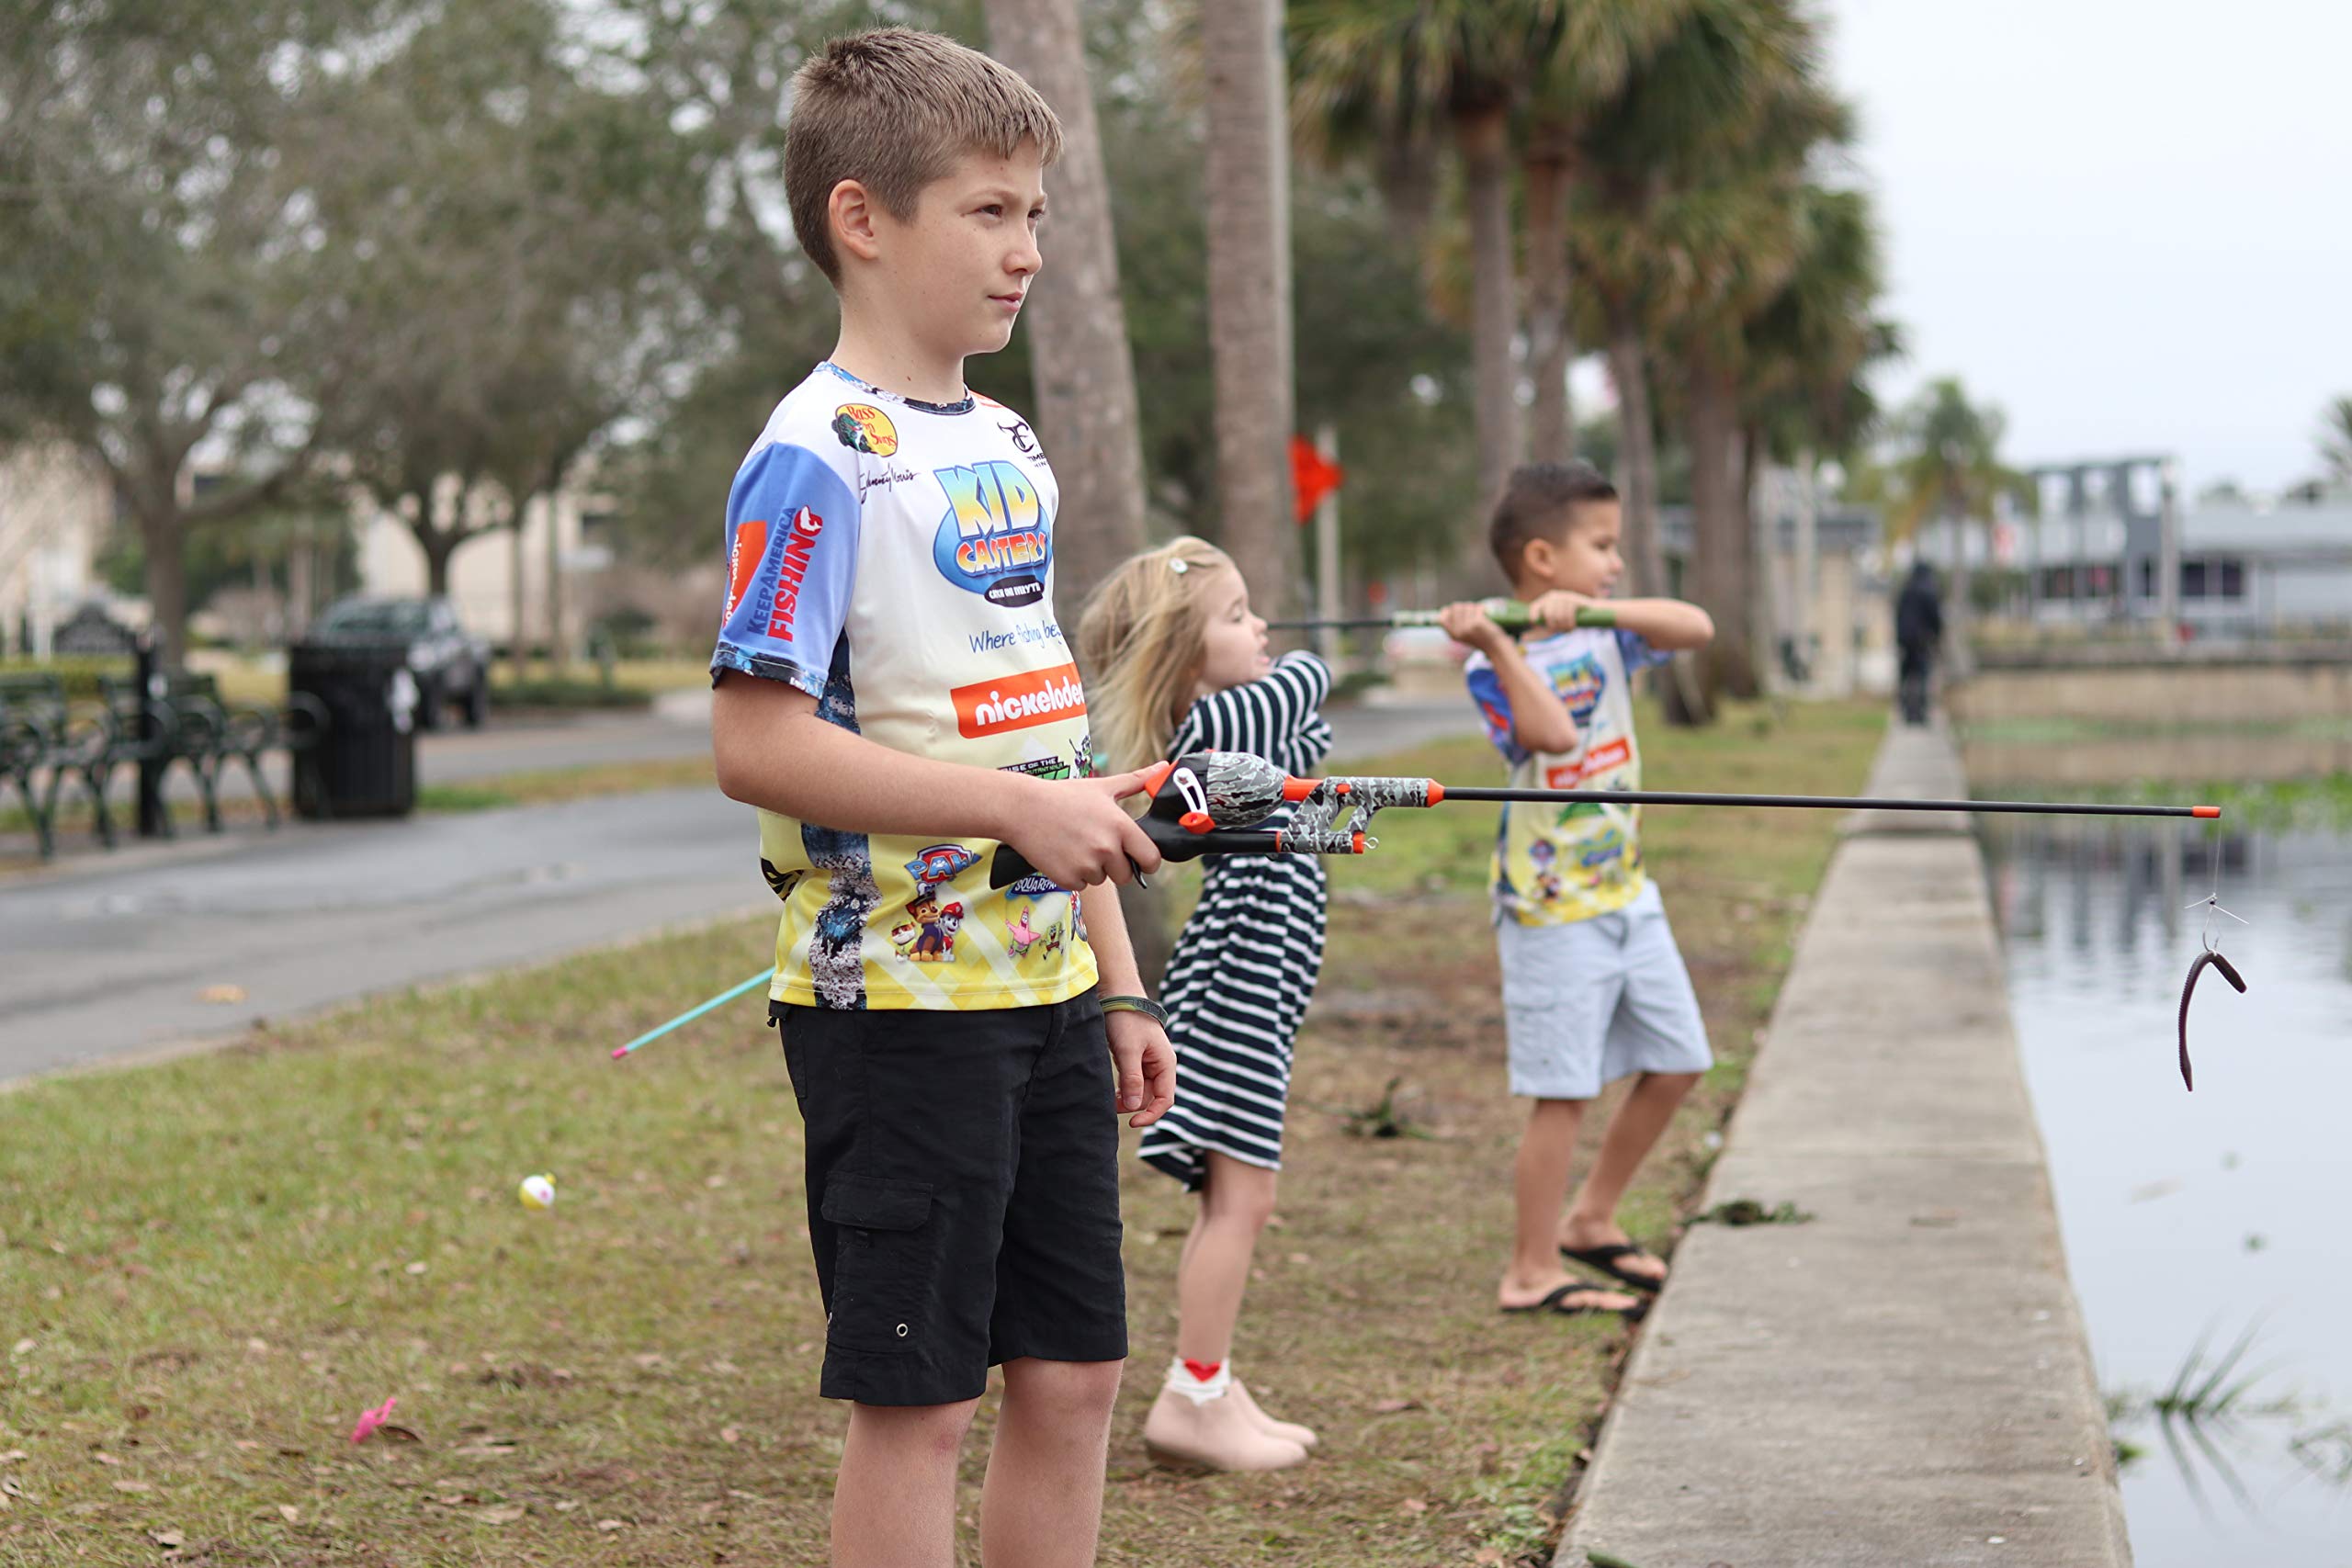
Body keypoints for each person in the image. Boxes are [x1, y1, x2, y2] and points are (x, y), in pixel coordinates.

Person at [704, 29, 1175, 1568]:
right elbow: (755, 742)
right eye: (988, 211)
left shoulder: (1012, 448)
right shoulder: (814, 459)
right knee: (919, 1397)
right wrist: (1009, 815)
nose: (1026, 250)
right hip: (897, 1012)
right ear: (864, 219)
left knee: (1076, 1372)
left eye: (1035, 214)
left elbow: (1041, 745)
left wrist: (1118, 982)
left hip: (1044, 990)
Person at [1436, 461, 1715, 1322]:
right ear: (1543, 557)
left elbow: (1695, 627)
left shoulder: (1608, 631)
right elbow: (1552, 736)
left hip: (1626, 889)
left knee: (1679, 1061)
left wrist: (1595, 611)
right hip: (1550, 903)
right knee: (1564, 1090)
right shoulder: (1494, 665)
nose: (1619, 562)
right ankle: (1530, 1267)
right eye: (1603, 547)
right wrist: (1498, 643)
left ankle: (1592, 1216)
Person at [1078, 536, 1332, 1472]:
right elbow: (1303, 682)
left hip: (1252, 985)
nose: (1260, 627)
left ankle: (1209, 1384)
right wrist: (1307, 657)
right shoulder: (1223, 729)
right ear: (1184, 661)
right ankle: (1193, 1394)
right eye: (1235, 617)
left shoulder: (1232, 729)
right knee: (1243, 1196)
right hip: (1237, 985)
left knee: (1231, 1196)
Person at [1894, 560, 1945, 725]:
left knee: (1907, 673)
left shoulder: (1905, 590)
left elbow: (1898, 614)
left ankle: (1906, 708)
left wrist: (1899, 637)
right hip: (1921, 639)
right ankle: (1920, 711)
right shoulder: (1928, 590)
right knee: (1922, 673)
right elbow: (1935, 617)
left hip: (1905, 639)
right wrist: (1937, 636)